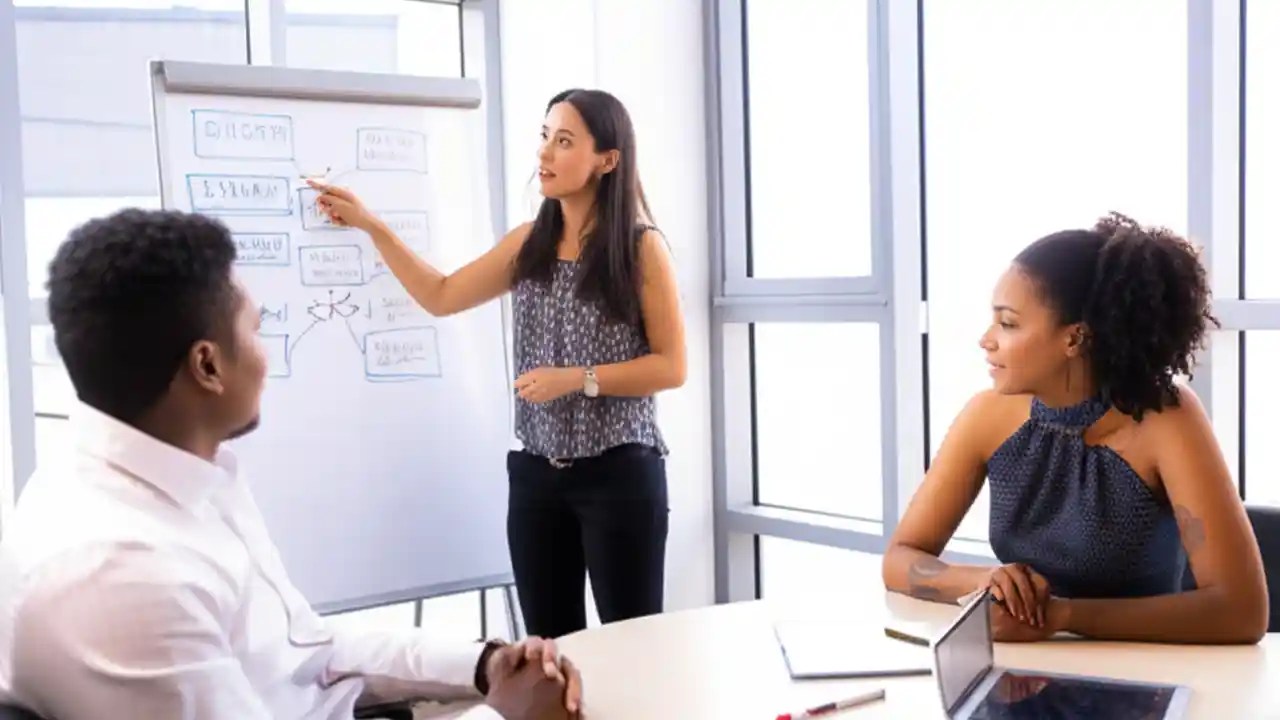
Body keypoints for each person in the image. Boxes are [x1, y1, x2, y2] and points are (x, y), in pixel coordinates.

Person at [0, 208, 583, 719]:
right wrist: (506, 718)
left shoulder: (191, 472)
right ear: (208, 366)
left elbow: (308, 650)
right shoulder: (124, 577)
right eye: (256, 329)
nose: (268, 352)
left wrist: (485, 667)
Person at [311, 88, 686, 639]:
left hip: (619, 475)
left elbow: (671, 366)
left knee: (631, 648)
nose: (545, 155)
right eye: (544, 137)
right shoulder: (527, 244)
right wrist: (373, 226)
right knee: (547, 652)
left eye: (564, 141)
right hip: (536, 479)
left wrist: (576, 381)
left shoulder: (639, 248)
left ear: (607, 160)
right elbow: (440, 295)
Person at [883, 212, 1269, 644]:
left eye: (1008, 323)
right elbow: (900, 559)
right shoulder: (987, 415)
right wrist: (984, 580)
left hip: (1145, 671)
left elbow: (1241, 611)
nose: (986, 339)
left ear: (1074, 339)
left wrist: (1061, 615)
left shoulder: (1166, 418)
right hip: (1029, 667)